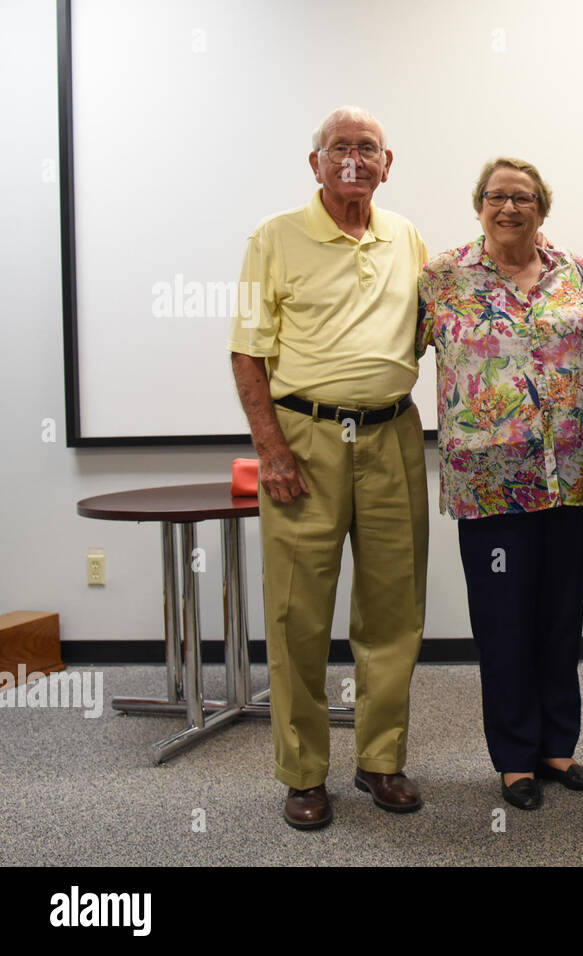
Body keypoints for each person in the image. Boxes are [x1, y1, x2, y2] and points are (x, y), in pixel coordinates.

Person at [229, 106, 428, 830]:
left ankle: (381, 760)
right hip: (303, 442)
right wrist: (270, 450)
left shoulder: (405, 236)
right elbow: (247, 351)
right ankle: (303, 773)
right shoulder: (272, 238)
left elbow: (437, 328)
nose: (353, 158)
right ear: (314, 162)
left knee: (394, 611)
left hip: (393, 439)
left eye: (366, 147)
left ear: (386, 162)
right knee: (296, 618)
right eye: (338, 147)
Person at [418, 158, 583, 812]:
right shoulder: (442, 278)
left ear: (541, 207)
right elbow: (391, 350)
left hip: (570, 477)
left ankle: (559, 747)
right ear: (480, 205)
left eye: (523, 197)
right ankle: (514, 758)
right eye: (497, 196)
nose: (509, 207)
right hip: (490, 484)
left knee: (560, 618)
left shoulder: (578, 274)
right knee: (503, 623)